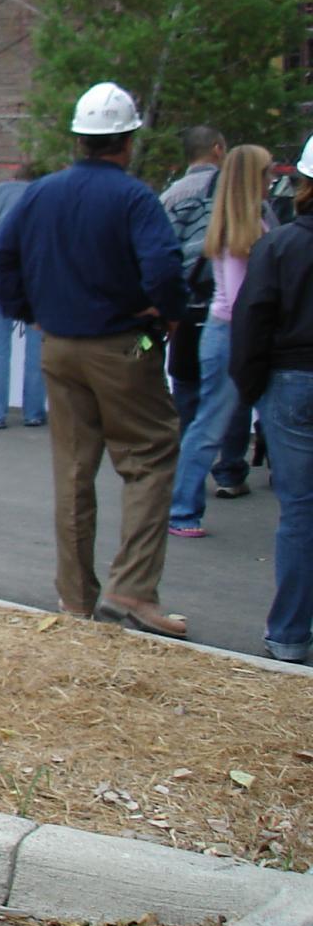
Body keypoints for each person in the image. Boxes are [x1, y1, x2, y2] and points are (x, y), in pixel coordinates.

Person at [0, 82, 189, 637]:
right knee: (148, 457)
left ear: (79, 138)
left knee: (74, 471)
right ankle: (131, 591)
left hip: (59, 344)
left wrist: (32, 310)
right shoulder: (134, 198)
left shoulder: (40, 193)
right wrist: (167, 312)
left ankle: (75, 599)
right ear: (126, 141)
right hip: (122, 344)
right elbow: (165, 268)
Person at [229, 135, 313, 665]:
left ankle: (289, 633)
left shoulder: (280, 246)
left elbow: (252, 320)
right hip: (290, 375)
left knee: (300, 512)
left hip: (292, 380)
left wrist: (253, 387)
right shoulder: (279, 244)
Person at [169, 144, 272, 536]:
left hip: (230, 332)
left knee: (210, 422)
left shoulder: (243, 224)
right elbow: (243, 298)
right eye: (266, 174)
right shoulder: (241, 230)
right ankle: (181, 509)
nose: (272, 181)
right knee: (210, 424)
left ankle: (182, 507)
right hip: (232, 333)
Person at [0, 164, 47, 430]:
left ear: (15, 176)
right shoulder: (46, 193)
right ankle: (35, 412)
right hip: (37, 272)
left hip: (5, 270)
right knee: (37, 344)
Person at [160, 125, 226, 432]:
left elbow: (159, 255)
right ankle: (229, 469)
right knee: (227, 393)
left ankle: (187, 457)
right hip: (227, 306)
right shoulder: (236, 193)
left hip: (185, 305)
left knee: (185, 385)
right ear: (217, 148)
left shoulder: (169, 196)